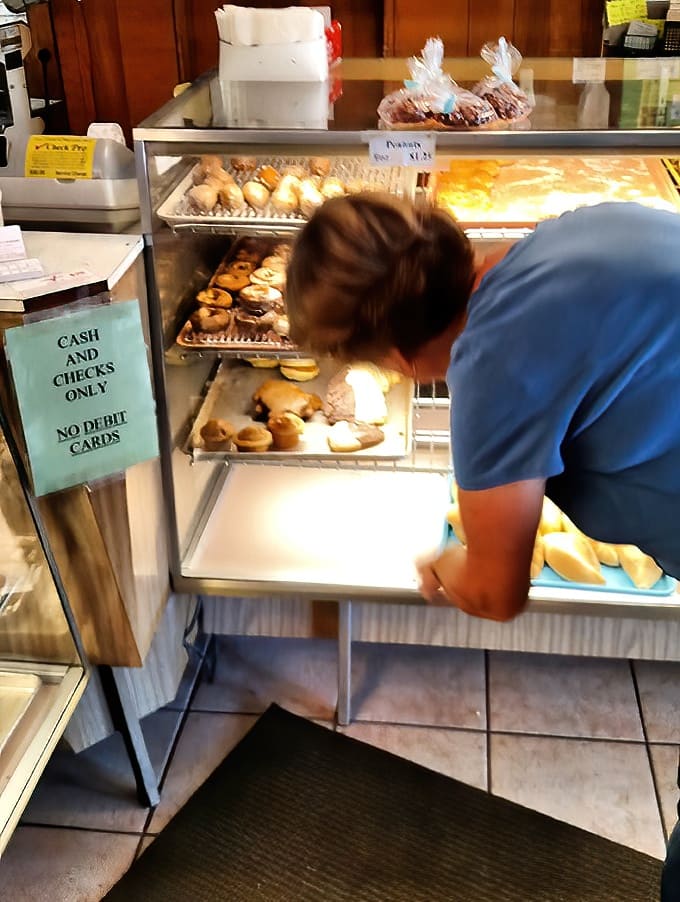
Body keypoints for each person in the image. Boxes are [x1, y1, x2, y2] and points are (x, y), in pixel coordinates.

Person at [286, 193, 680, 899]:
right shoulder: (561, 238)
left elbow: (498, 594)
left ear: (400, 359)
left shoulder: (492, 364)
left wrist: (444, 563)